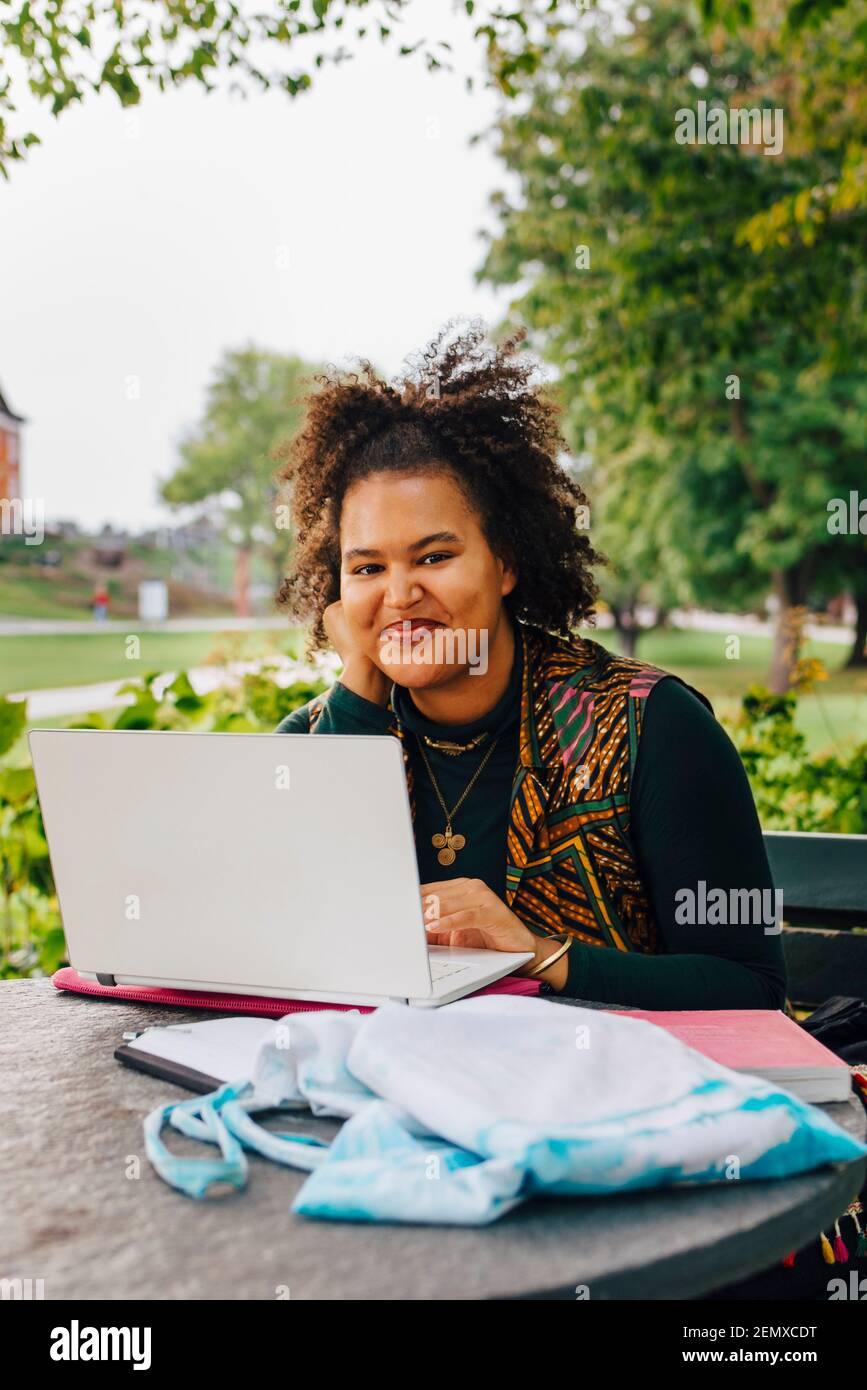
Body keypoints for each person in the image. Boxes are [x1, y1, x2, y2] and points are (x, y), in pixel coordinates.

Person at [273, 323, 786, 1009]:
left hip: (595, 1100)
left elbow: (748, 984)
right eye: (367, 567)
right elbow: (286, 942)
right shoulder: (314, 738)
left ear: (506, 562)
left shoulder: (651, 728)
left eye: (433, 557)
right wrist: (359, 687)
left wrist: (536, 953)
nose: (398, 595)